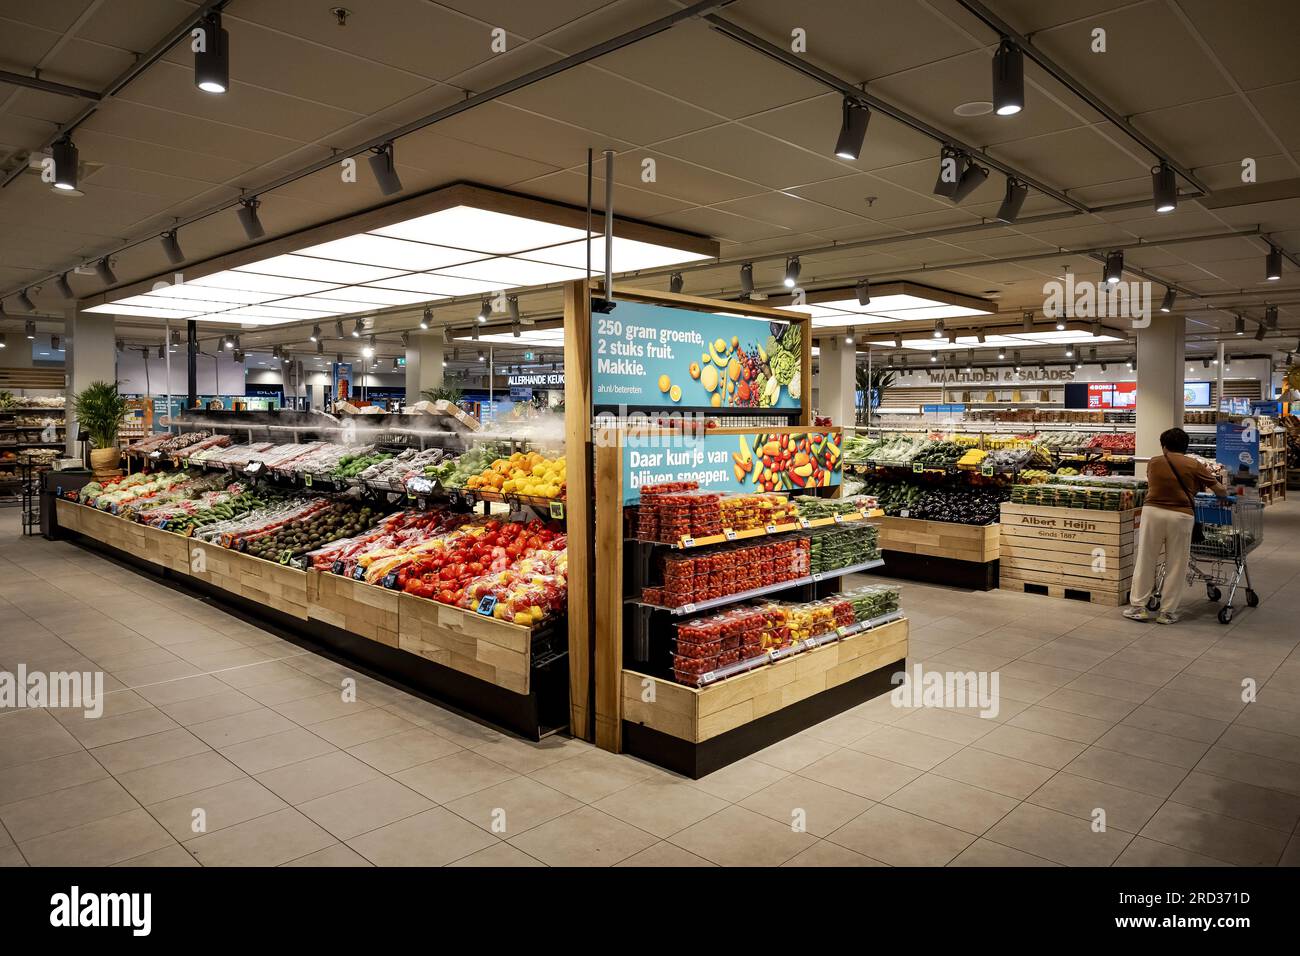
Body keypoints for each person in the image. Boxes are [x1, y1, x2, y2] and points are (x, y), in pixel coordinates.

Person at [1125, 427, 1228, 624]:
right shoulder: (1194, 464)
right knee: (1177, 563)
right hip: (1181, 516)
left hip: (1153, 512)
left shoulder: (1154, 462)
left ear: (1164, 446)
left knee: (1146, 558)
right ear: (1186, 446)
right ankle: (1167, 612)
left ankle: (1138, 607)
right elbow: (1220, 490)